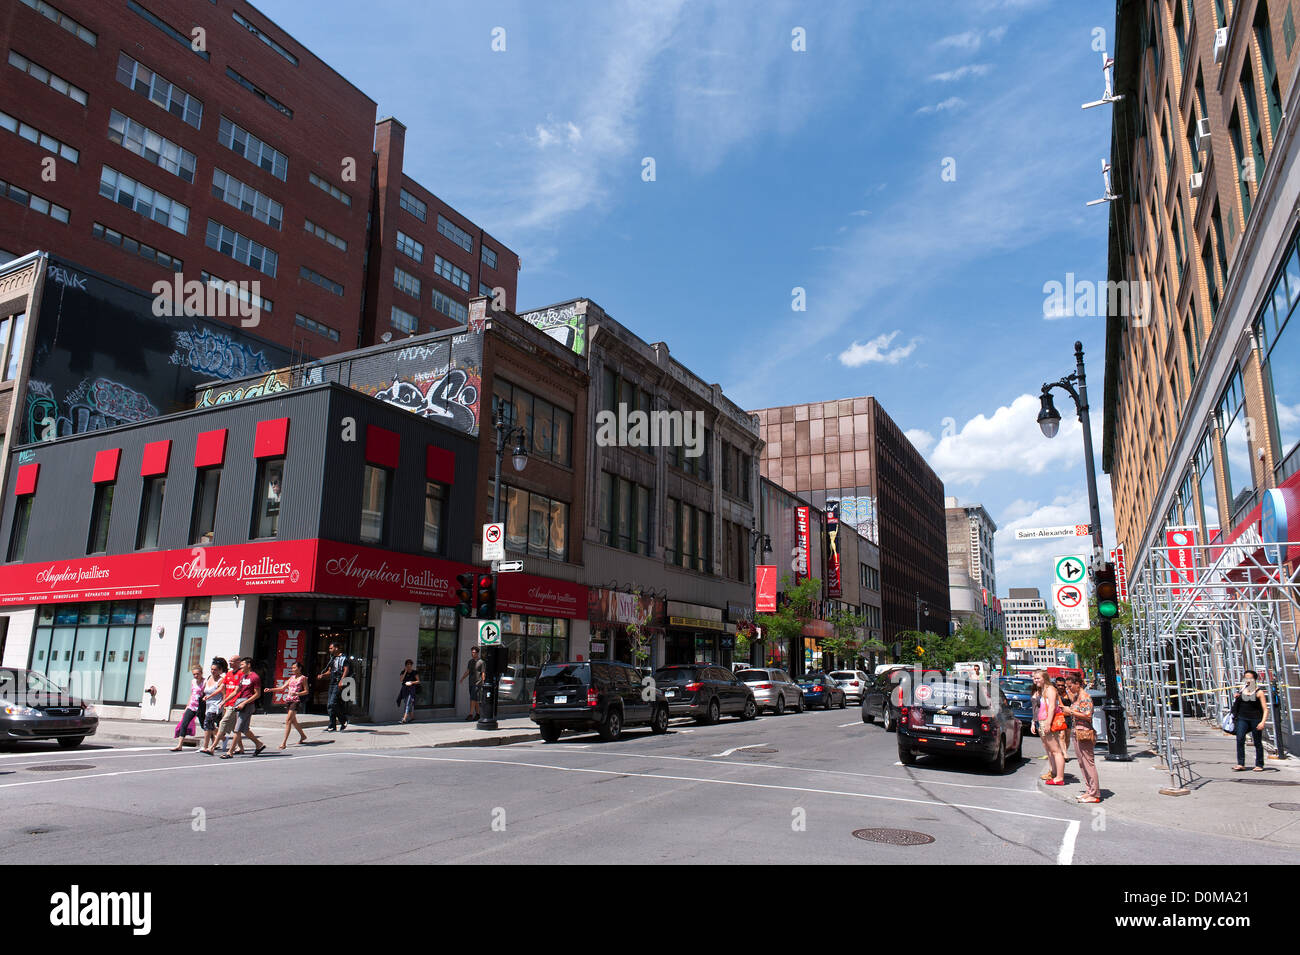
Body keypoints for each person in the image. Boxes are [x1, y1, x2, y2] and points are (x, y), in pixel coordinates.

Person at [1062, 672, 1100, 802]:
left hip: (1084, 731)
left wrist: (1070, 711)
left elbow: (1087, 715)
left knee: (1088, 762)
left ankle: (1094, 793)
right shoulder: (1078, 697)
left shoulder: (1085, 697)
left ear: (1078, 684)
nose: (1069, 689)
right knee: (1082, 763)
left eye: (1070, 686)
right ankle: (1089, 790)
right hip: (1077, 731)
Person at [222, 658, 265, 758]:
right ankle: (259, 744)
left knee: (237, 729)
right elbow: (236, 691)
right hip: (240, 702)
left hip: (248, 704)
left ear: (248, 665)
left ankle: (230, 752)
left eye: (242, 664)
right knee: (245, 730)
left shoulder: (254, 677)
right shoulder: (243, 677)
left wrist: (245, 703)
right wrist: (225, 700)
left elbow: (257, 694)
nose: (240, 666)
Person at [1030, 670, 1066, 785]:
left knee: (1056, 750)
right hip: (1042, 720)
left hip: (1047, 720)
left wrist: (1048, 723)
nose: (1035, 681)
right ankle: (1054, 772)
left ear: (1044, 678)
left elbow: (1052, 707)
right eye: (1034, 678)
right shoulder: (1043, 690)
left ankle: (1059, 777)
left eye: (1037, 678)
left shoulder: (1050, 689)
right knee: (1050, 749)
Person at [1231, 670, 1270, 772]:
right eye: (1246, 677)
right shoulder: (1242, 689)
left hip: (1255, 719)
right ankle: (1240, 763)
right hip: (1242, 718)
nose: (1247, 680)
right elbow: (1240, 703)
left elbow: (1265, 709)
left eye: (1250, 678)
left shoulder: (1259, 692)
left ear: (1254, 679)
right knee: (1240, 738)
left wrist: (1262, 722)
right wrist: (1237, 697)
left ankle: (1259, 764)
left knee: (1257, 741)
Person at [267, 662, 309, 749]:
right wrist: (270, 689)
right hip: (289, 700)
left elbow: (306, 691)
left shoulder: (303, 678)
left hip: (296, 701)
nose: (293, 669)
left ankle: (284, 743)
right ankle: (303, 736)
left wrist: (297, 693)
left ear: (299, 668)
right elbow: (282, 688)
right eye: (292, 668)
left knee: (288, 721)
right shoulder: (291, 678)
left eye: (294, 668)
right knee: (293, 721)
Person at [209, 656, 245, 755]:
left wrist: (225, 701)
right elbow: (221, 688)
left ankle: (212, 747)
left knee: (223, 722)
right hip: (227, 703)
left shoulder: (242, 674)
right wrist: (209, 696)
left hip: (235, 703)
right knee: (235, 728)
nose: (230, 663)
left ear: (238, 662)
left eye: (232, 661)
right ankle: (242, 747)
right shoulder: (228, 674)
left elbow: (237, 691)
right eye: (229, 661)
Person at [317, 642, 351, 732]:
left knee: (333, 703)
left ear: (336, 648)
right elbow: (329, 671)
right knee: (329, 705)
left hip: (338, 682)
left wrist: (342, 681)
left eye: (331, 648)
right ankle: (332, 725)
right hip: (332, 682)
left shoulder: (344, 658)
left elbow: (346, 670)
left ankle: (343, 720)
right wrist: (323, 675)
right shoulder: (332, 659)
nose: (329, 650)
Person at [170, 666, 205, 751]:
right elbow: (192, 694)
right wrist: (187, 706)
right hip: (192, 706)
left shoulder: (205, 682)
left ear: (201, 673)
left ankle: (216, 739)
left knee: (204, 725)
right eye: (194, 674)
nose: (196, 676)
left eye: (197, 674)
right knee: (184, 724)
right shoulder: (193, 681)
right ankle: (179, 745)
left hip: (200, 706)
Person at [199, 659, 227, 755]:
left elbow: (224, 694)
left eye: (215, 670)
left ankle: (205, 746)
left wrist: (224, 705)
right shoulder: (209, 678)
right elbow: (204, 690)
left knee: (207, 723)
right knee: (210, 725)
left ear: (220, 671)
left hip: (216, 705)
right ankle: (223, 738)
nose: (212, 671)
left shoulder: (221, 680)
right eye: (211, 669)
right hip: (208, 704)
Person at [459, 646, 483, 721]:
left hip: (478, 683)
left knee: (472, 698)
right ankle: (478, 714)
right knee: (474, 699)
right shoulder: (470, 661)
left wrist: (483, 682)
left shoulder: (481, 662)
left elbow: (483, 673)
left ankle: (470, 714)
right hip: (471, 682)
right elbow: (468, 671)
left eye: (474, 652)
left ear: (477, 653)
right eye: (472, 652)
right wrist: (462, 678)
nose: (473, 654)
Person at [1053, 677, 1072, 762]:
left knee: (1067, 738)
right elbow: (1060, 705)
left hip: (1068, 717)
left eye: (1062, 685)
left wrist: (1068, 691)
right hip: (1060, 717)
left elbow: (1073, 701)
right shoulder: (1055, 693)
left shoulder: (1068, 693)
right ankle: (1064, 754)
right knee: (1061, 736)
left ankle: (1064, 752)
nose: (1060, 687)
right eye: (1058, 685)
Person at [396, 659, 420, 724]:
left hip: (411, 689)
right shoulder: (403, 672)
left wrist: (412, 682)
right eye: (407, 665)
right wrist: (405, 672)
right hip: (404, 689)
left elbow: (418, 681)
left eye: (410, 665)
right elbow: (401, 680)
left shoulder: (414, 672)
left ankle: (404, 719)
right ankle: (412, 718)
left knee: (407, 703)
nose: (409, 666)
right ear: (406, 665)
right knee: (408, 703)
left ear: (412, 665)